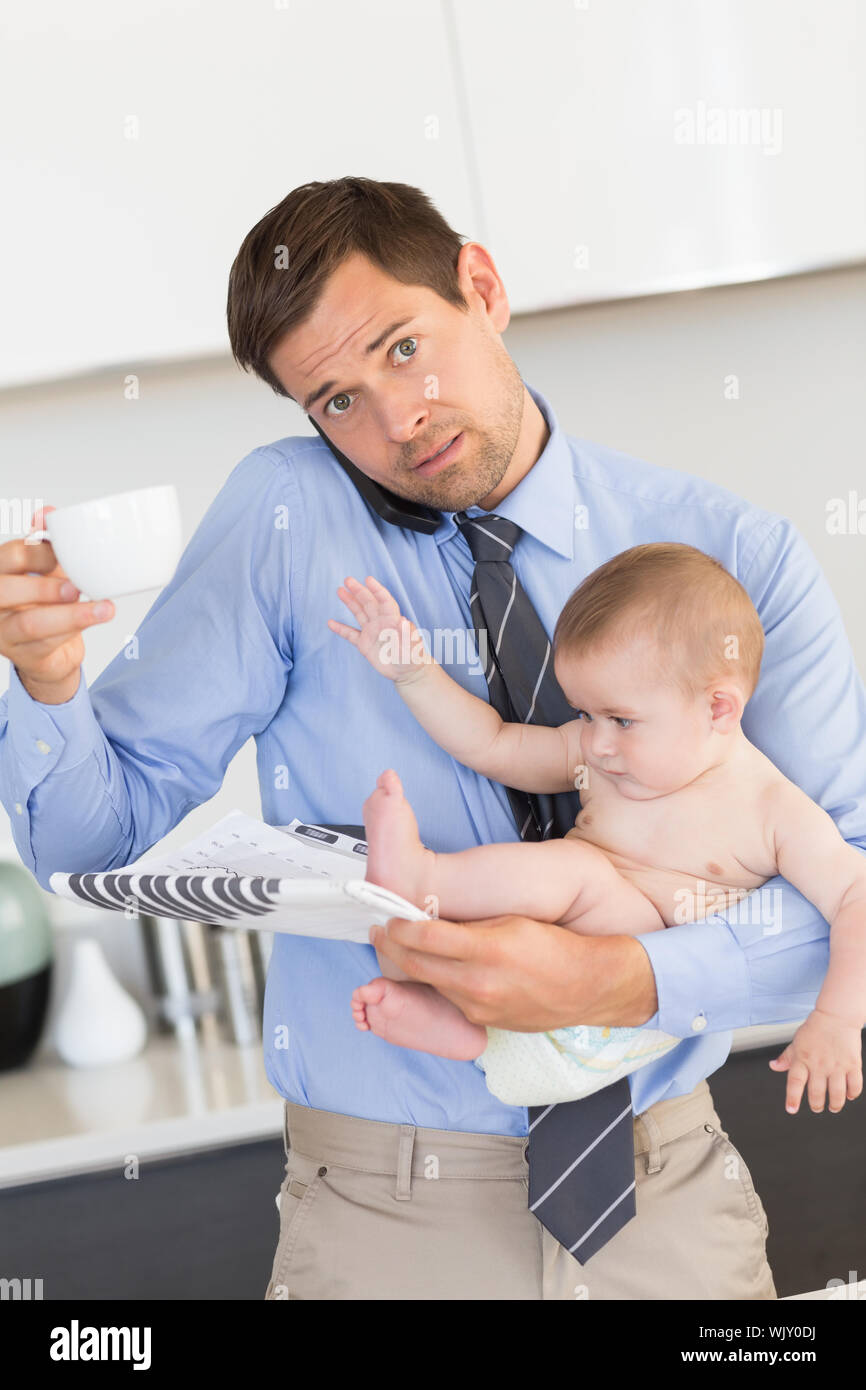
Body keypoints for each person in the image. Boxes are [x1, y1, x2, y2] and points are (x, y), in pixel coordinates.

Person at [1, 177, 865, 1301]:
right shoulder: (285, 520)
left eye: (404, 348)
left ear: (482, 287)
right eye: (335, 402)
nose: (395, 419)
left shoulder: (728, 554)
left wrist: (609, 976)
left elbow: (836, 896)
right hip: (385, 1213)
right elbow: (89, 843)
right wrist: (46, 682)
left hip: (668, 1189)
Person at [326, 548, 866, 1112]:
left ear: (719, 710)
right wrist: (415, 673)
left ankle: (425, 875)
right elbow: (494, 745)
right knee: (429, 935)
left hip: (624, 1019)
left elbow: (857, 895)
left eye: (621, 720)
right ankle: (444, 1015)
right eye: (584, 715)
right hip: (523, 1024)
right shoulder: (603, 759)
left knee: (579, 868)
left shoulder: (770, 808)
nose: (597, 742)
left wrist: (838, 1017)